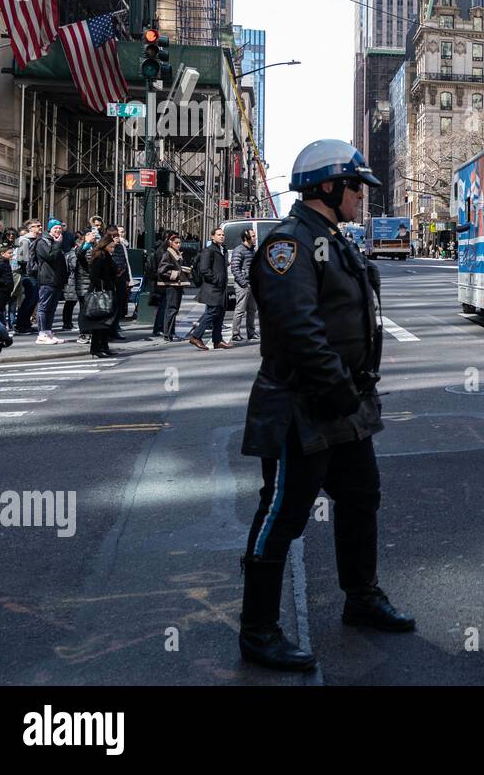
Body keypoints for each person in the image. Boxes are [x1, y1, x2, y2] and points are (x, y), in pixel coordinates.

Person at [238, 139, 412, 672]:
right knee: (283, 514)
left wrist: (353, 391)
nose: (363, 196)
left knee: (362, 497)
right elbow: (298, 331)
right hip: (303, 404)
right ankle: (258, 630)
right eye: (357, 186)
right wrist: (337, 389)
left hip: (346, 403)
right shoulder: (288, 245)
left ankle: (360, 597)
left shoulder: (333, 238)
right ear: (329, 187)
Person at [188, 227, 232, 351]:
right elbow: (204, 269)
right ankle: (196, 336)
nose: (221, 236)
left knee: (220, 313)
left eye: (223, 234)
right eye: (219, 234)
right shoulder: (209, 250)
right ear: (212, 237)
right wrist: (216, 279)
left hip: (221, 287)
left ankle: (217, 340)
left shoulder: (223, 250)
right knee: (212, 312)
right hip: (212, 288)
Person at [80, 231, 121, 358]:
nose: (113, 249)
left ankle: (104, 346)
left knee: (105, 322)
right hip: (100, 292)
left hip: (107, 290)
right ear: (104, 245)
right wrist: (103, 285)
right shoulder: (100, 256)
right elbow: (93, 275)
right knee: (100, 322)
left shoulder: (106, 256)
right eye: (111, 246)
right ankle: (96, 348)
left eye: (113, 247)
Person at [32, 220, 69, 343]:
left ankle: (48, 332)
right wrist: (58, 244)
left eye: (59, 228)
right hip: (47, 279)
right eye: (55, 228)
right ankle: (42, 334)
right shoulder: (42, 242)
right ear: (50, 230)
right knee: (44, 307)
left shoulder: (55, 242)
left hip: (57, 281)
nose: (58, 230)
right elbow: (50, 256)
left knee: (52, 308)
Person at [157, 233, 192, 341]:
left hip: (177, 285)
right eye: (176, 242)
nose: (178, 244)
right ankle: (167, 334)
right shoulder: (168, 254)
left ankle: (171, 332)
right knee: (171, 309)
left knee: (174, 310)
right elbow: (161, 270)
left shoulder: (177, 253)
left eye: (179, 242)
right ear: (170, 243)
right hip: (172, 285)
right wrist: (176, 274)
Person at [230, 228, 259, 342]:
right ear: (246, 238)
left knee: (252, 310)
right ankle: (235, 333)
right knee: (240, 310)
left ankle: (251, 332)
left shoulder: (252, 250)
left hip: (252, 284)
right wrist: (243, 282)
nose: (255, 238)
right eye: (252, 236)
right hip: (243, 285)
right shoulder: (239, 250)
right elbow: (235, 268)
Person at [13, 221, 41, 335]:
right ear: (31, 228)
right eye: (37, 226)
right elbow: (21, 258)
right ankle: (21, 325)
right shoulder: (25, 240)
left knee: (33, 300)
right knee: (30, 300)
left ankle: (26, 324)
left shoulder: (35, 239)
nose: (40, 227)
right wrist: (32, 267)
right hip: (28, 275)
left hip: (34, 274)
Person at [108, 225, 133, 339]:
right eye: (116, 236)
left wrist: (128, 279)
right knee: (112, 305)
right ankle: (110, 329)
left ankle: (115, 327)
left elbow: (125, 262)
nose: (118, 238)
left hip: (121, 279)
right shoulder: (107, 248)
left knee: (119, 304)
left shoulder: (121, 247)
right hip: (112, 279)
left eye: (119, 235)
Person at [0, 244, 14, 326]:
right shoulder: (0, 263)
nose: (12, 254)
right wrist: (4, 282)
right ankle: (0, 327)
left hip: (6, 290)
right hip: (0, 290)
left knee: (2, 309)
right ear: (2, 254)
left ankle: (2, 326)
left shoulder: (6, 262)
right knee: (0, 311)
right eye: (9, 253)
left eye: (12, 253)